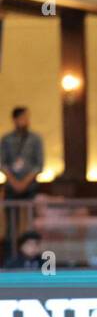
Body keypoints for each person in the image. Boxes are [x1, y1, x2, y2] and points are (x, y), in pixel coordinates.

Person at [2, 107, 45, 257]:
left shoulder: (35, 139)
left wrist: (24, 182)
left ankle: (31, 258)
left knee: (29, 224)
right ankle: (10, 258)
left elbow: (39, 165)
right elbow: (3, 164)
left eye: (27, 117)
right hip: (11, 188)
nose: (25, 121)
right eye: (22, 118)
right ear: (15, 119)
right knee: (10, 228)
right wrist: (14, 182)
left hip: (30, 188)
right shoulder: (6, 139)